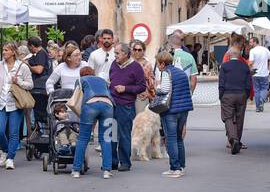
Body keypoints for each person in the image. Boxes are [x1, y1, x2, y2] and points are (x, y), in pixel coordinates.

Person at [0, 42, 34, 170]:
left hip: (16, 103)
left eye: (6, 50)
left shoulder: (23, 67)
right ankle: (5, 151)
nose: (4, 52)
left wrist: (18, 81)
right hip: (1, 103)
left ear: (13, 52)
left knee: (14, 133)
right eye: (3, 50)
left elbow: (30, 85)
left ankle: (10, 158)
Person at [154, 50, 194, 178]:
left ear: (161, 64)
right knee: (178, 138)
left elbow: (165, 89)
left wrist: (156, 89)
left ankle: (174, 168)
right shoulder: (181, 72)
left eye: (158, 64)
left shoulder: (166, 72)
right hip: (184, 109)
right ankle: (181, 166)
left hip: (171, 110)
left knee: (170, 138)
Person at [108, 42, 147, 172]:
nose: (115, 56)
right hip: (112, 103)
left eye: (117, 53)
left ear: (125, 54)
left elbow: (142, 87)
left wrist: (126, 88)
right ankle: (112, 161)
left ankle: (125, 162)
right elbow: (111, 79)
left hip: (126, 106)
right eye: (115, 53)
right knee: (111, 133)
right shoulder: (114, 64)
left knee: (124, 134)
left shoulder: (136, 67)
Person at [71, 66, 115, 179]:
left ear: (81, 75)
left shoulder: (81, 80)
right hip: (108, 106)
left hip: (90, 105)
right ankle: (107, 170)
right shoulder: (102, 80)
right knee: (106, 138)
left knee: (83, 138)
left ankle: (76, 170)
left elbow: (76, 97)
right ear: (93, 73)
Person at [218, 35, 253, 154]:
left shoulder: (225, 66)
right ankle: (237, 140)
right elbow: (249, 83)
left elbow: (221, 82)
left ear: (230, 55)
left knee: (228, 117)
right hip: (241, 94)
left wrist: (221, 96)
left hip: (227, 94)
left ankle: (233, 139)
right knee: (240, 118)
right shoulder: (245, 66)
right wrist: (246, 95)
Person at [27, 36, 51, 118]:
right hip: (40, 87)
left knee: (40, 112)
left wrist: (28, 66)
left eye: (29, 47)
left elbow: (39, 70)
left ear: (32, 46)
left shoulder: (41, 54)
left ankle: (41, 129)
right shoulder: (41, 53)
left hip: (40, 88)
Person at [247, 36, 270, 113]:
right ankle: (262, 100)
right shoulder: (265, 49)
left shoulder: (252, 51)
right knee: (264, 88)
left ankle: (258, 107)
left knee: (256, 90)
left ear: (255, 42)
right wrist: (269, 68)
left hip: (255, 73)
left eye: (251, 42)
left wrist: (248, 66)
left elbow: (251, 62)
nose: (250, 43)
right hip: (264, 73)